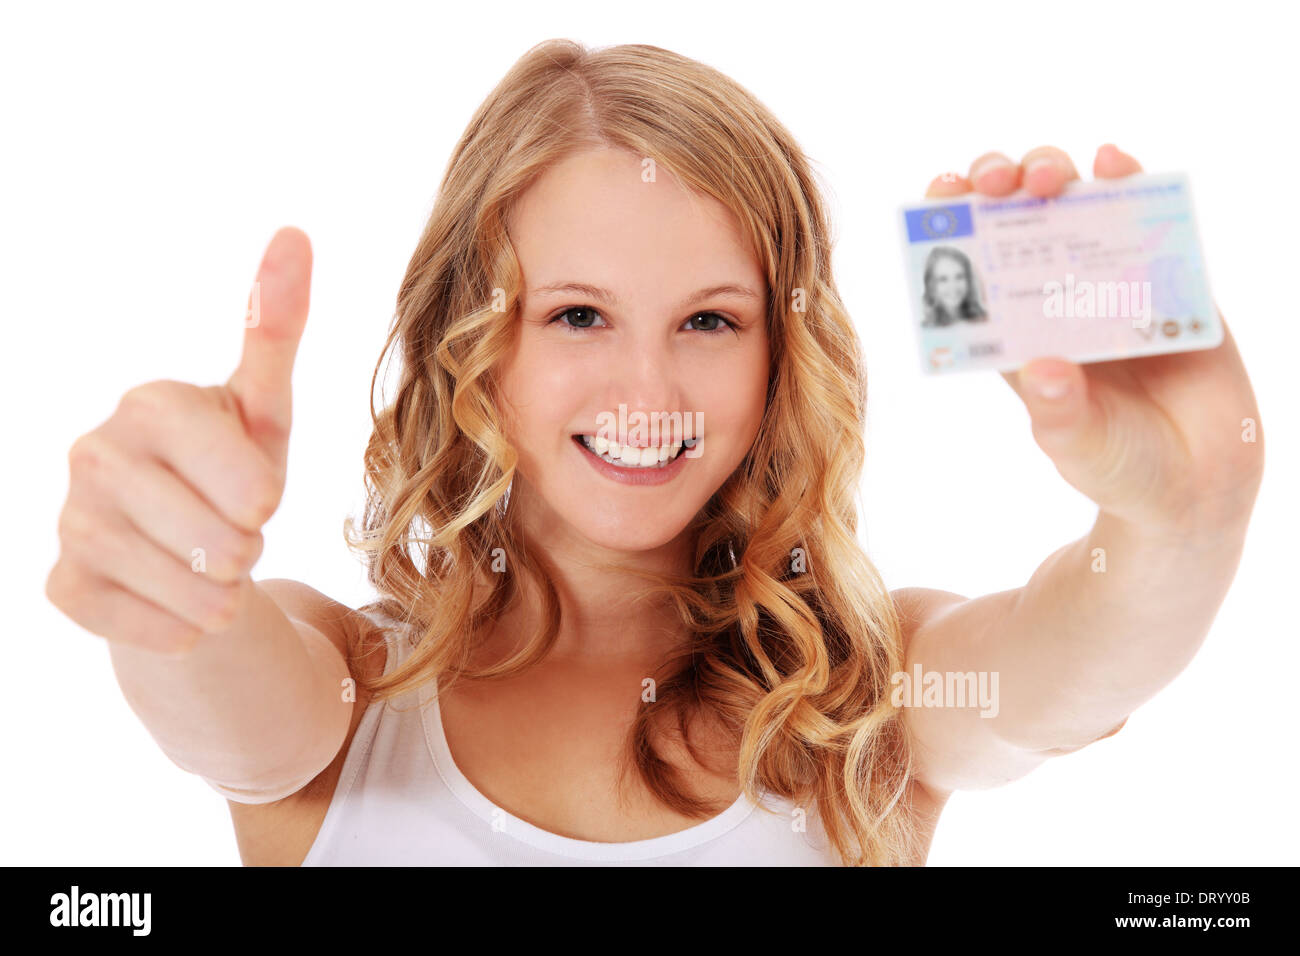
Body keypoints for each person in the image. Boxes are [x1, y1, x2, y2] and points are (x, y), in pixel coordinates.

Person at [46, 39, 1264, 866]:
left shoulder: (866, 705)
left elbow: (1074, 669)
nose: (647, 387)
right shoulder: (348, 691)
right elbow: (221, 702)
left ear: (781, 356)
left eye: (710, 320)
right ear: (474, 343)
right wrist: (172, 579)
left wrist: (1184, 518)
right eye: (577, 313)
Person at [921, 246, 987, 327]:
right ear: (931, 285)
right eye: (943, 279)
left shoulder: (983, 319)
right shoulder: (927, 329)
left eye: (959, 276)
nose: (953, 286)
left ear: (969, 280)